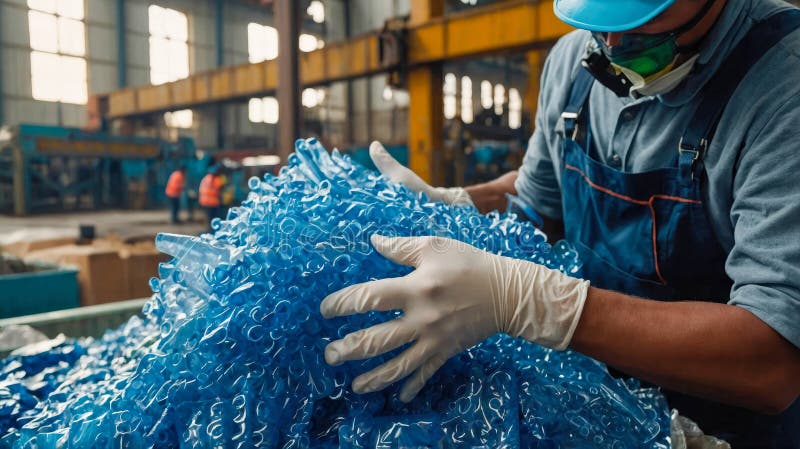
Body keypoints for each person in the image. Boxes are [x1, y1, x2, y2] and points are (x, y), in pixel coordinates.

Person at [320, 0, 800, 446]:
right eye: (599, 26)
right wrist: (458, 206)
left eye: (636, 26)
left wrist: (538, 303)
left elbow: (773, 362)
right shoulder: (575, 61)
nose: (611, 48)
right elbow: (537, 210)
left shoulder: (784, 88)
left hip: (731, 428)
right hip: (599, 406)